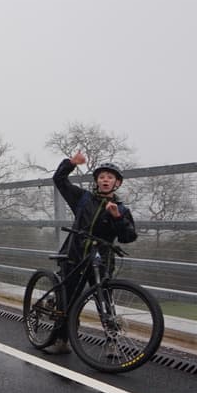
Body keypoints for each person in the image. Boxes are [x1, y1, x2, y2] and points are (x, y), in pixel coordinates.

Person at [45, 151, 137, 354]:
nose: (105, 180)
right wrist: (71, 163)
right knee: (68, 298)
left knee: (105, 301)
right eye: (102, 177)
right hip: (75, 253)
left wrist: (116, 218)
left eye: (110, 177)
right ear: (97, 181)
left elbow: (128, 237)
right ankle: (62, 340)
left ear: (117, 183)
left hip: (102, 258)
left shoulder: (121, 209)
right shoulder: (83, 199)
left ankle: (112, 343)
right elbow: (59, 180)